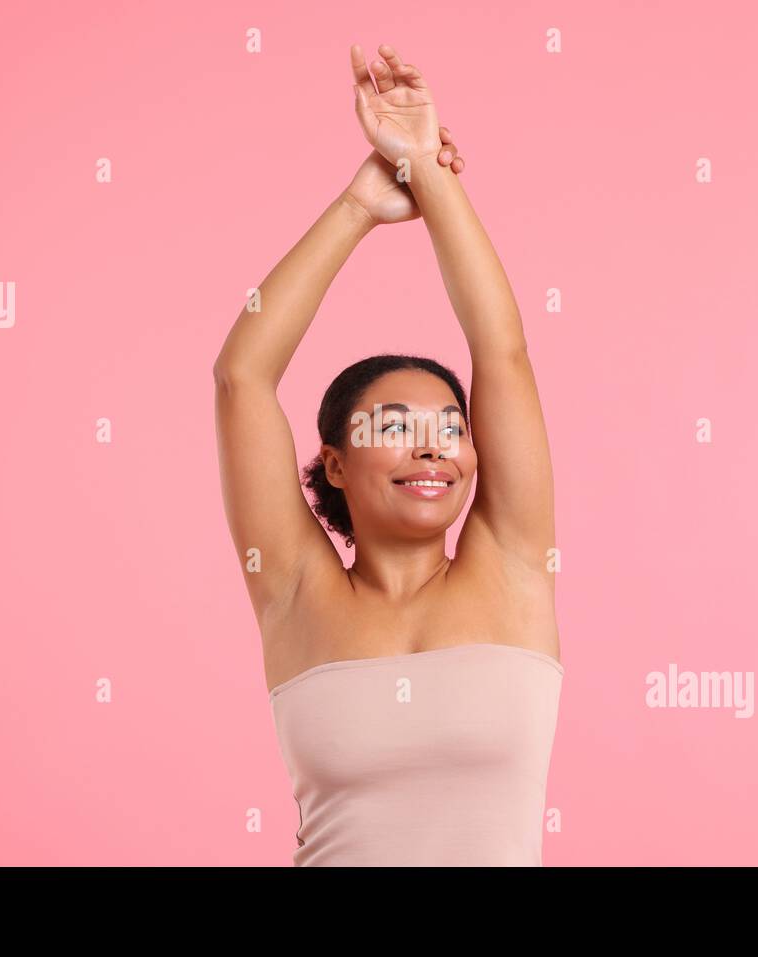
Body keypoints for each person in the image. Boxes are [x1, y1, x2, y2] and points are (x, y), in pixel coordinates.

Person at [213, 43, 563, 866]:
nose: (433, 446)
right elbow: (241, 378)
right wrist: (360, 205)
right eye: (395, 426)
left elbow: (501, 349)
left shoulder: (512, 564)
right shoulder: (293, 591)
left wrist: (428, 171)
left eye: (450, 425)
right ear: (333, 461)